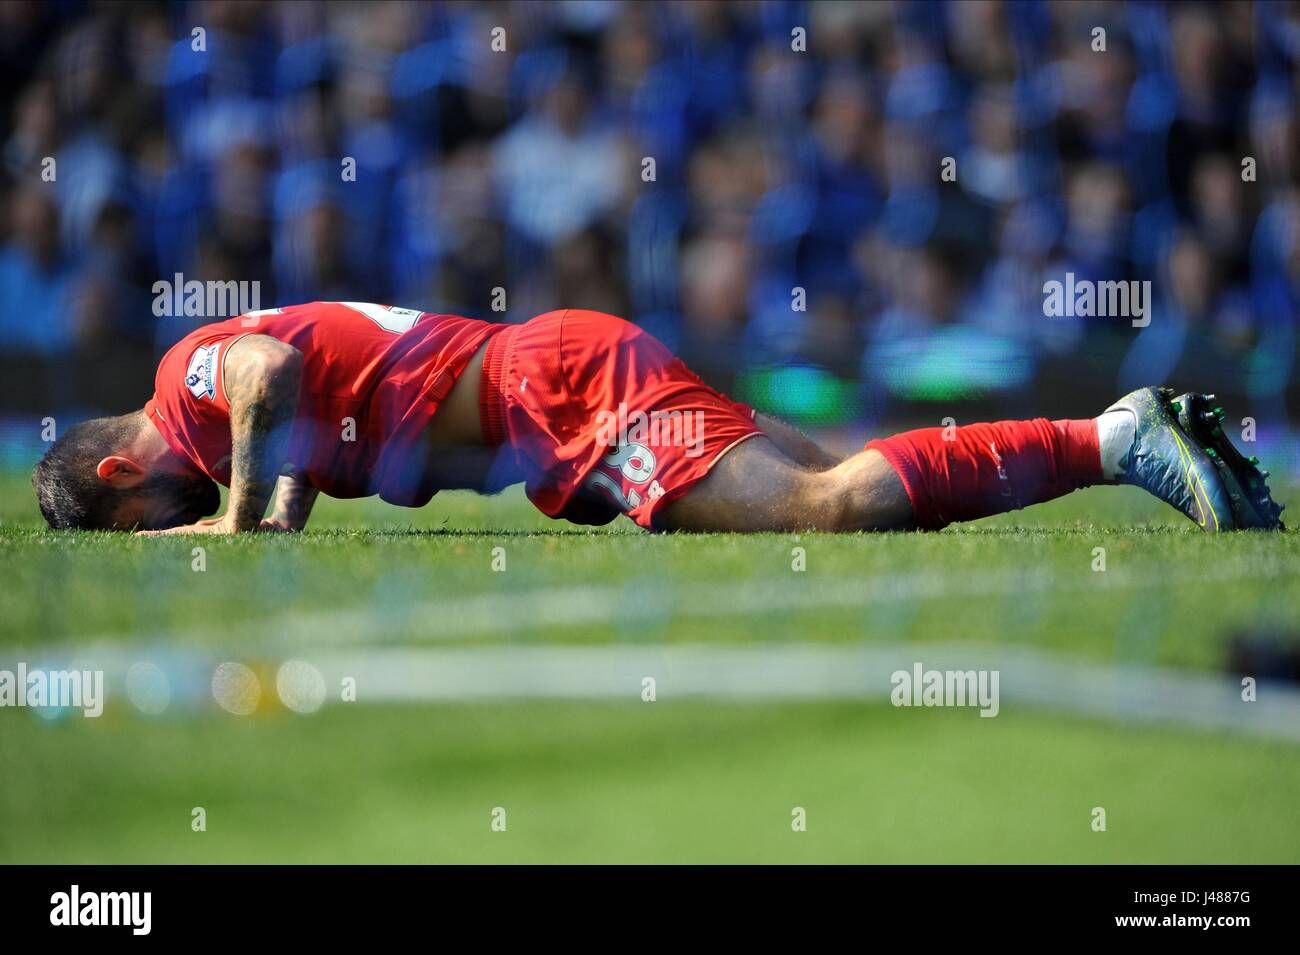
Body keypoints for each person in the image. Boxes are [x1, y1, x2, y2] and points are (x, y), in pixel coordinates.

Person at [31, 301, 1284, 535]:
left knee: (817, 507)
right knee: (849, 475)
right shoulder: (204, 435)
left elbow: (264, 372)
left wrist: (242, 518)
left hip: (555, 389)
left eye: (134, 518)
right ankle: (1113, 437)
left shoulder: (183, 389)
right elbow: (327, 392)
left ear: (122, 470)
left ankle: (1119, 441)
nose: (158, 522)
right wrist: (287, 501)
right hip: (555, 380)